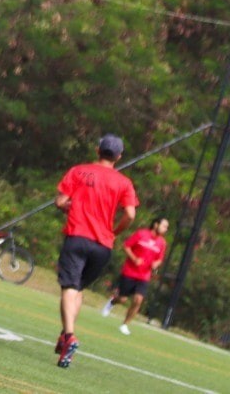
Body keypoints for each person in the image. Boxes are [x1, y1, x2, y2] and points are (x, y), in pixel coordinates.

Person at [53, 134, 138, 368]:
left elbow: (60, 202)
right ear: (119, 157)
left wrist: (75, 208)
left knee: (69, 287)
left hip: (78, 237)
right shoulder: (124, 183)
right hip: (103, 246)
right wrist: (114, 232)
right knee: (77, 288)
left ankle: (69, 335)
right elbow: (130, 214)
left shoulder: (79, 171)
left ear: (96, 149)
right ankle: (65, 334)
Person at [101, 217, 169, 334]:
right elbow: (126, 246)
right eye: (164, 226)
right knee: (122, 299)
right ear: (156, 224)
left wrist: (155, 264)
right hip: (129, 272)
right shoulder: (141, 234)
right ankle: (112, 302)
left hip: (144, 276)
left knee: (138, 300)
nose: (165, 229)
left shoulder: (162, 243)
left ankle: (125, 324)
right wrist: (134, 259)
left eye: (167, 227)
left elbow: (160, 259)